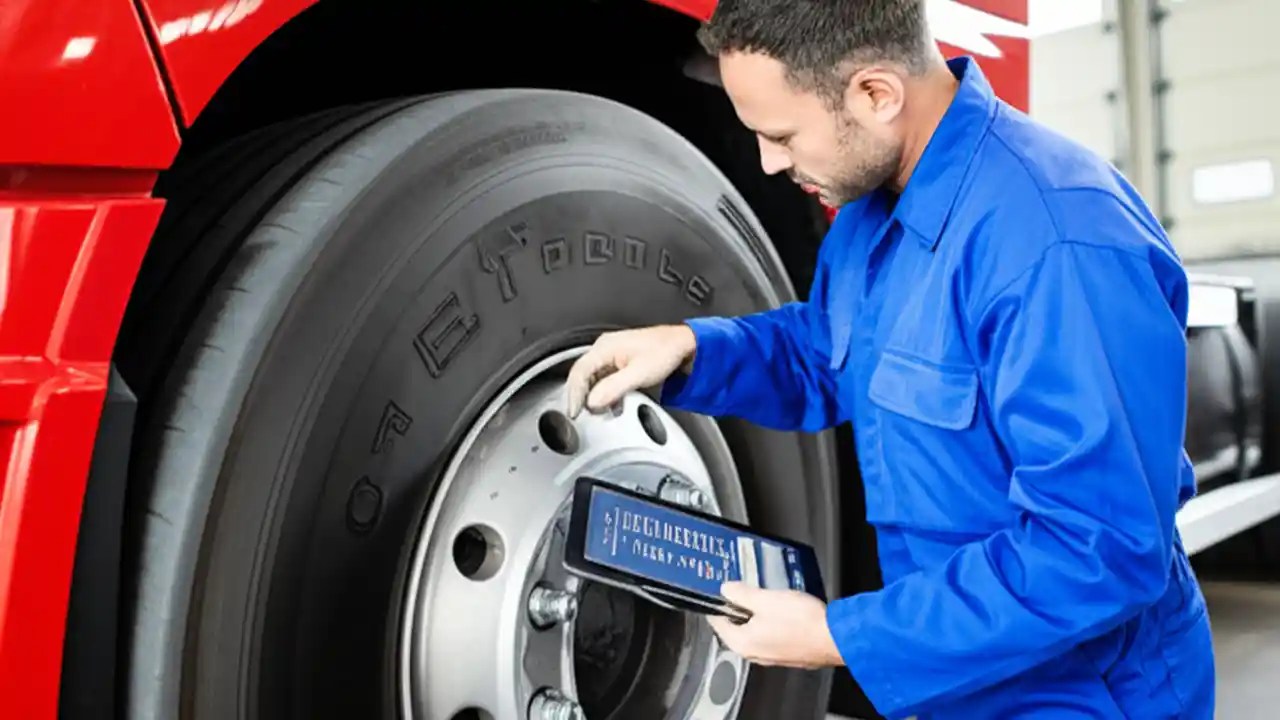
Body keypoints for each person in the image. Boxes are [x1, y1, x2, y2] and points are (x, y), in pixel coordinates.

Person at [563, 0, 1216, 718]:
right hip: (957, 677)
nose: (767, 162)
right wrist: (693, 349)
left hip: (1082, 693)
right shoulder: (873, 208)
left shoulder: (1057, 245)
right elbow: (827, 352)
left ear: (876, 94)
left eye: (781, 135)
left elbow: (1099, 550)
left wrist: (838, 637)